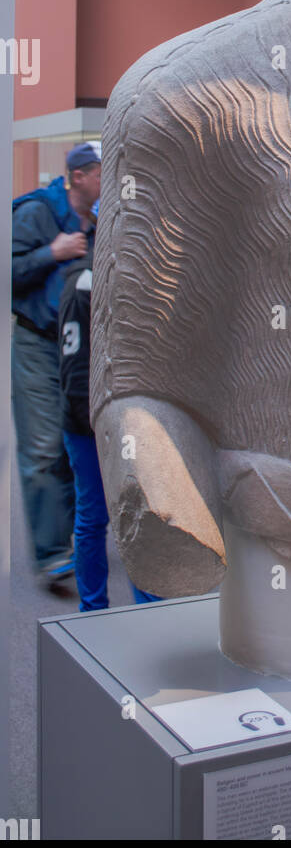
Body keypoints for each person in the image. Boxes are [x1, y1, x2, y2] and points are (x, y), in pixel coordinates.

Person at [11, 143, 101, 584]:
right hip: (37, 344)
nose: (111, 181)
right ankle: (52, 553)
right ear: (79, 176)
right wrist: (53, 252)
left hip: (79, 351)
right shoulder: (37, 212)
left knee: (75, 446)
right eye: (104, 172)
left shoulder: (101, 223)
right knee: (44, 447)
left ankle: (74, 537)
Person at [58, 249, 160, 610]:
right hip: (89, 425)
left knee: (139, 514)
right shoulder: (84, 283)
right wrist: (100, 424)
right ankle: (93, 609)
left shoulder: (135, 277)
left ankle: (149, 607)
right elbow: (75, 369)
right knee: (94, 516)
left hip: (127, 418)